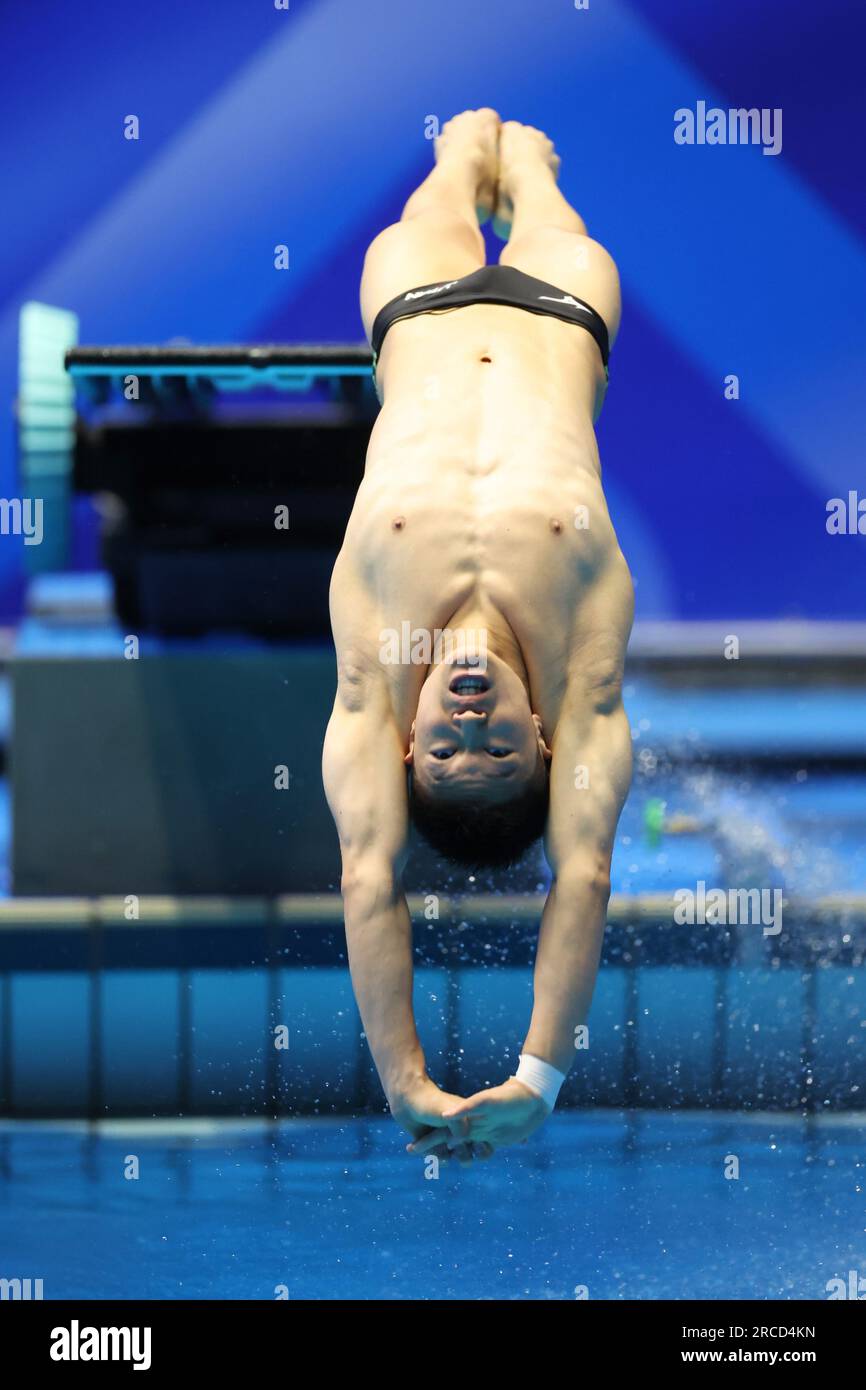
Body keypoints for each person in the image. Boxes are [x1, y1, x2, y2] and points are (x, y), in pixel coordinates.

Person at [322, 110, 634, 1163]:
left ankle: (467, 157)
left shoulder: (373, 669)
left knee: (456, 158)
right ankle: (535, 169)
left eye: (446, 752)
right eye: (496, 749)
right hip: (561, 318)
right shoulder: (582, 668)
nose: (467, 723)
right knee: (539, 185)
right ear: (545, 746)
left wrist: (405, 1080)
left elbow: (369, 873)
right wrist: (535, 1077)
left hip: (415, 310)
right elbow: (582, 874)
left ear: (401, 745)